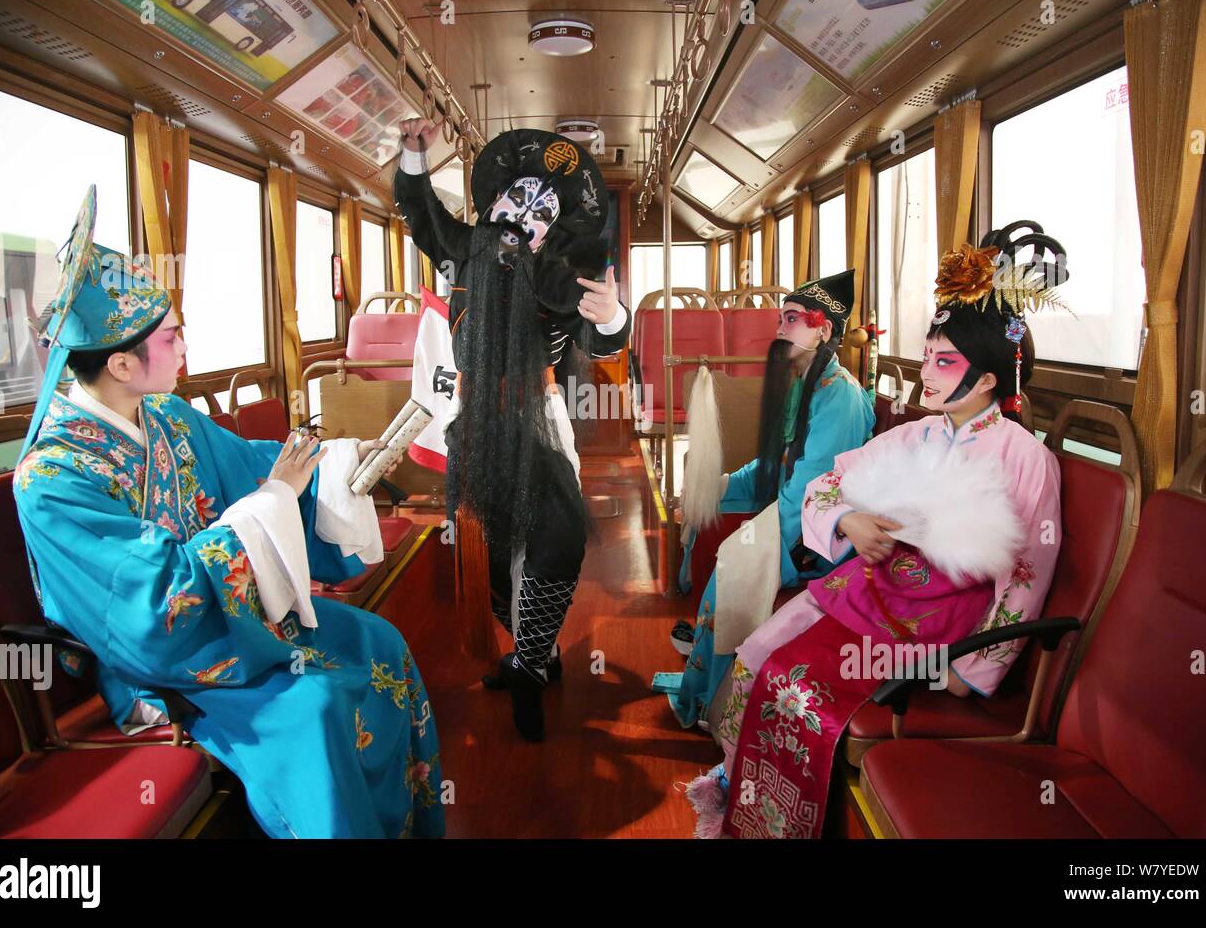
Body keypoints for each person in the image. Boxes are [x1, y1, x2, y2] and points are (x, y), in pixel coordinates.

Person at [14, 186, 443, 838]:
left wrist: (335, 464)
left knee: (379, 643)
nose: (185, 347)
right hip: (167, 662)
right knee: (319, 707)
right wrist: (274, 499)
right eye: (171, 337)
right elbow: (154, 605)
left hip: (241, 621)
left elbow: (252, 464)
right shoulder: (50, 481)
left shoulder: (166, 417)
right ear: (124, 363)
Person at [689, 221, 1069, 839]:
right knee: (757, 656)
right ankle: (738, 792)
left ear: (992, 378)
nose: (927, 371)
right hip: (874, 588)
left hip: (941, 618)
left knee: (796, 689)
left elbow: (1026, 579)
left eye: (944, 362)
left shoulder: (1025, 460)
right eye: (927, 357)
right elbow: (827, 485)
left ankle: (783, 821)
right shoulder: (916, 433)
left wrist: (969, 673)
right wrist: (849, 518)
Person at [392, 118, 628, 741]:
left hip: (538, 417)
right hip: (474, 423)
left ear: (554, 228)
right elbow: (417, 210)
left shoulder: (559, 278)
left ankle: (527, 665)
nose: (523, 215)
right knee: (491, 559)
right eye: (515, 198)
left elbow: (598, 330)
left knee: (559, 535)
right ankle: (532, 650)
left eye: (541, 210)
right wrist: (416, 156)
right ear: (493, 200)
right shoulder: (460, 249)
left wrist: (612, 316)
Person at [668, 272, 875, 732]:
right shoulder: (803, 386)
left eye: (793, 319)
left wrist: (755, 540)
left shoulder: (838, 395)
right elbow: (774, 467)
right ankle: (707, 689)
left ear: (823, 331)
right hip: (796, 519)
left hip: (823, 539)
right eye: (780, 318)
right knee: (731, 553)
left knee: (734, 562)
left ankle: (717, 704)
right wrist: (715, 489)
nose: (780, 328)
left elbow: (809, 491)